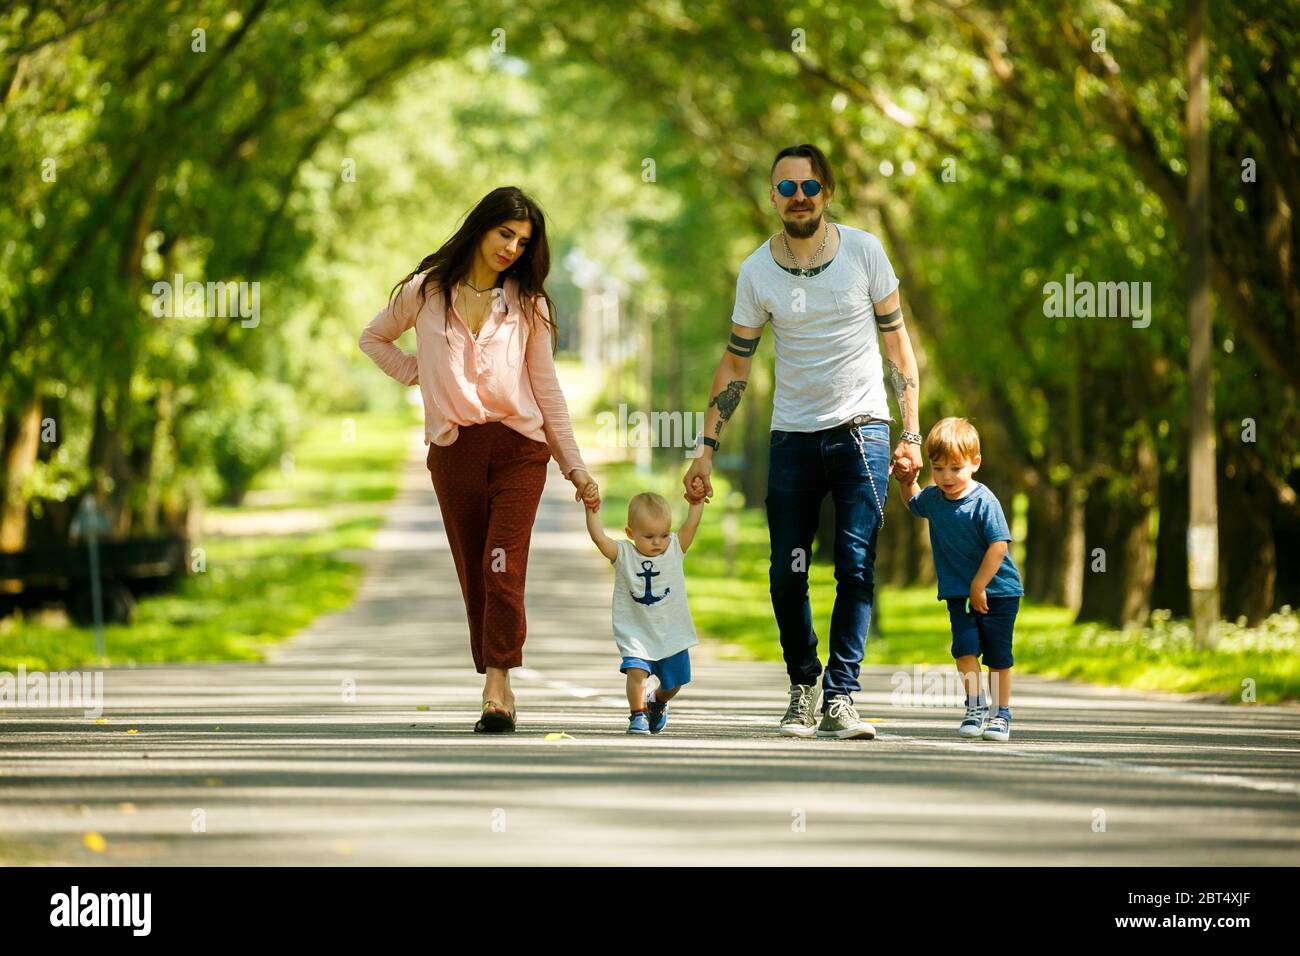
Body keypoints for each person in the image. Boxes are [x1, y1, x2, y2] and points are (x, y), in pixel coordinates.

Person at [683, 144, 923, 740]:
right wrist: (705, 448)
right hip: (792, 434)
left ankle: (841, 696)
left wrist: (911, 432)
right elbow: (735, 365)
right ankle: (803, 685)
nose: (798, 197)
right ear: (772, 197)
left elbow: (898, 346)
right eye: (786, 187)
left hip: (863, 429)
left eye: (809, 186)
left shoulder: (865, 251)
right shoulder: (756, 270)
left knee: (856, 567)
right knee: (787, 573)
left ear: (827, 193)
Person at [358, 186, 600, 733]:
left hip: (519, 450)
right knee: (476, 571)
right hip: (455, 453)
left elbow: (547, 390)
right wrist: (423, 374)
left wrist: (575, 466)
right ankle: (495, 677)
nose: (512, 248)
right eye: (505, 234)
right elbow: (373, 340)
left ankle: (498, 683)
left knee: (502, 564)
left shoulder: (528, 305)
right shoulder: (425, 292)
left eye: (523, 242)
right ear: (481, 228)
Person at [892, 417, 1024, 741]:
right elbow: (913, 503)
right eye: (938, 469)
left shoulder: (983, 501)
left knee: (998, 657)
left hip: (998, 592)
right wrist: (906, 481)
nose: (946, 477)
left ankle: (1000, 714)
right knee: (964, 651)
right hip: (959, 594)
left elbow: (999, 545)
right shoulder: (935, 500)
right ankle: (976, 706)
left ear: (975, 463)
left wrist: (979, 585)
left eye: (955, 468)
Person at [584, 489, 704, 735]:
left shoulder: (675, 549)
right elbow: (599, 539)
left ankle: (657, 702)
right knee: (636, 673)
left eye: (663, 534)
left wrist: (696, 502)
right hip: (636, 633)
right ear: (630, 533)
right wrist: (591, 510)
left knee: (674, 684)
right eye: (649, 536)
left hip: (672, 634)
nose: (658, 542)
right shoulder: (623, 554)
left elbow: (691, 525)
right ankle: (638, 715)